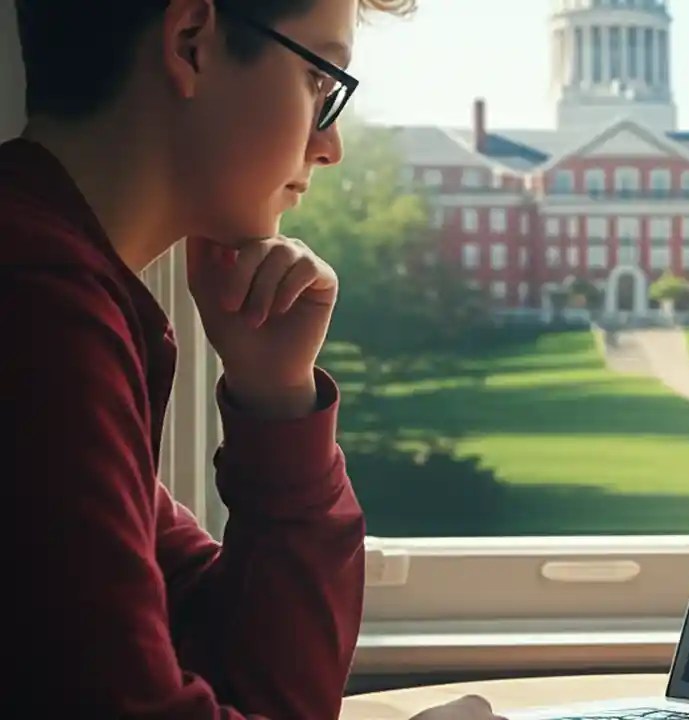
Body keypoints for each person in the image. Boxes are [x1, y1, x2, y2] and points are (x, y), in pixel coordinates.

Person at [0, 2, 504, 718]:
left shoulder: (63, 289)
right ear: (192, 44)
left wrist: (277, 397)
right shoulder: (35, 309)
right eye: (317, 79)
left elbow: (274, 695)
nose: (330, 146)